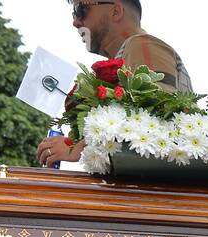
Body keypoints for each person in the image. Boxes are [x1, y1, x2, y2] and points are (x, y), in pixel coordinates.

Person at [37, 1, 193, 167]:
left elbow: (160, 120)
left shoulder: (141, 44)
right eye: (74, 14)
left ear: (116, 12)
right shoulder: (132, 50)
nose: (75, 22)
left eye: (81, 10)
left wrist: (79, 146)